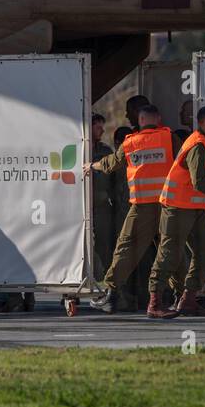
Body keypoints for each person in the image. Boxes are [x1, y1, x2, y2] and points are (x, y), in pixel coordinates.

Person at [147, 104, 205, 318]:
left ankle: (188, 301)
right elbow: (199, 182)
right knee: (169, 254)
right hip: (177, 207)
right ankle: (155, 303)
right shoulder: (198, 145)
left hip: (194, 208)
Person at [84, 104, 179, 313]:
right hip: (168, 205)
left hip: (141, 207)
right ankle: (183, 295)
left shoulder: (132, 142)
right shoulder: (169, 138)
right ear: (159, 118)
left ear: (141, 120)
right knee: (171, 249)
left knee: (125, 249)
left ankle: (112, 294)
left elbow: (110, 164)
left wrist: (91, 166)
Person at [89, 113, 116, 281]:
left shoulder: (106, 151)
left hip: (102, 206)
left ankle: (104, 282)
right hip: (80, 206)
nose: (102, 130)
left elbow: (115, 179)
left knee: (104, 245)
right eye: (98, 126)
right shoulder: (77, 149)